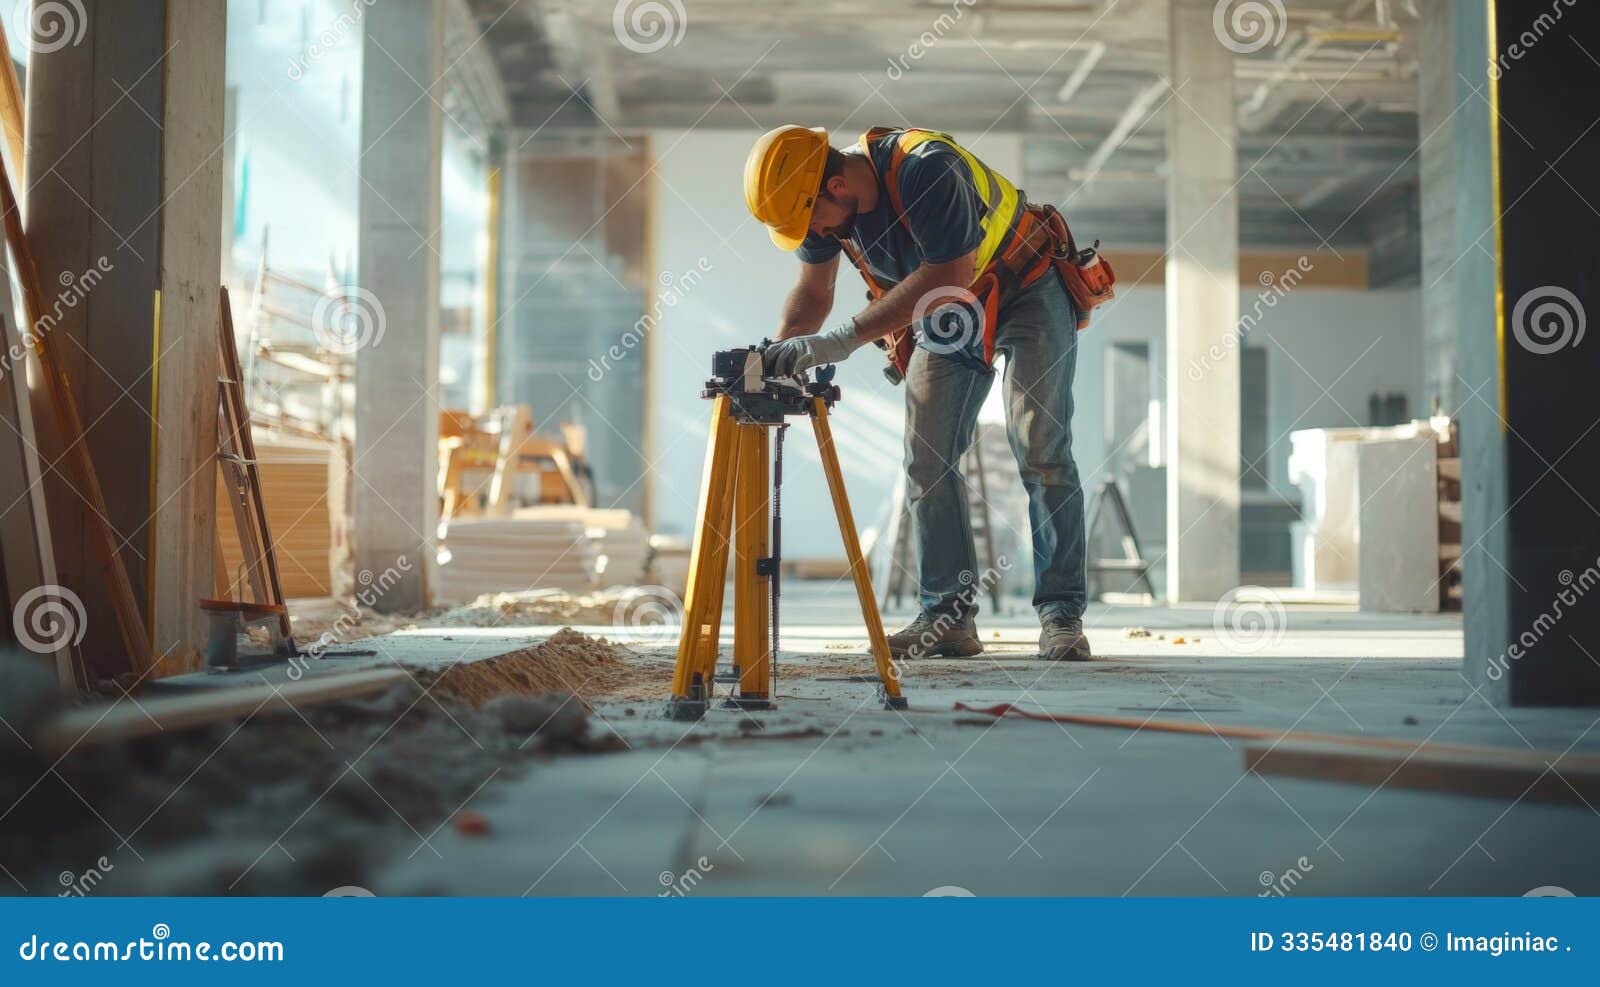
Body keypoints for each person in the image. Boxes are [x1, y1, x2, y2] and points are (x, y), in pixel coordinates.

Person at [743, 125, 1092, 661]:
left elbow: (949, 270)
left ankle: (1061, 615)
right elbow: (815, 290)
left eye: (808, 220)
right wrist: (785, 352)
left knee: (1041, 449)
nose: (811, 232)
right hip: (949, 311)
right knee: (927, 458)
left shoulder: (927, 167)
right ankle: (948, 617)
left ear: (835, 187)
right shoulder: (819, 205)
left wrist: (839, 342)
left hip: (1029, 284)